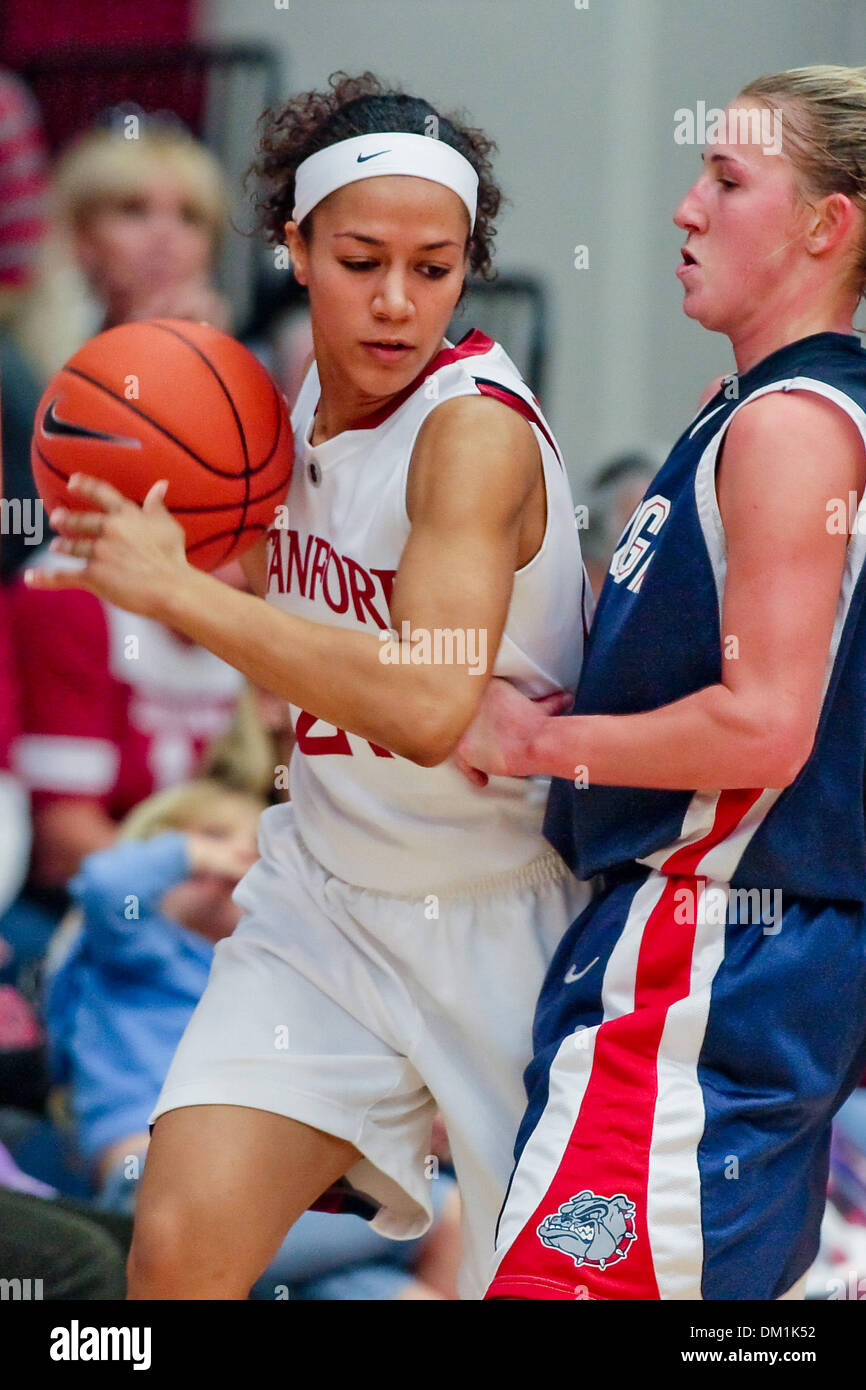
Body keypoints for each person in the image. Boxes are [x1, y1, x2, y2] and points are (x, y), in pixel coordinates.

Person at [25, 71, 591, 1300]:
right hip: (320, 907)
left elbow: (431, 699)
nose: (396, 302)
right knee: (173, 1260)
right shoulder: (275, 417)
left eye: (433, 268)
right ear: (292, 242)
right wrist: (126, 519)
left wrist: (184, 593)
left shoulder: (472, 431)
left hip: (502, 921)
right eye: (360, 260)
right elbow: (254, 596)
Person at [454, 64, 866, 1301]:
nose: (684, 207)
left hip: (704, 953)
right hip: (740, 953)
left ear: (822, 225)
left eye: (727, 180)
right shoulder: (755, 409)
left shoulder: (788, 430)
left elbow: (762, 726)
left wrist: (530, 742)